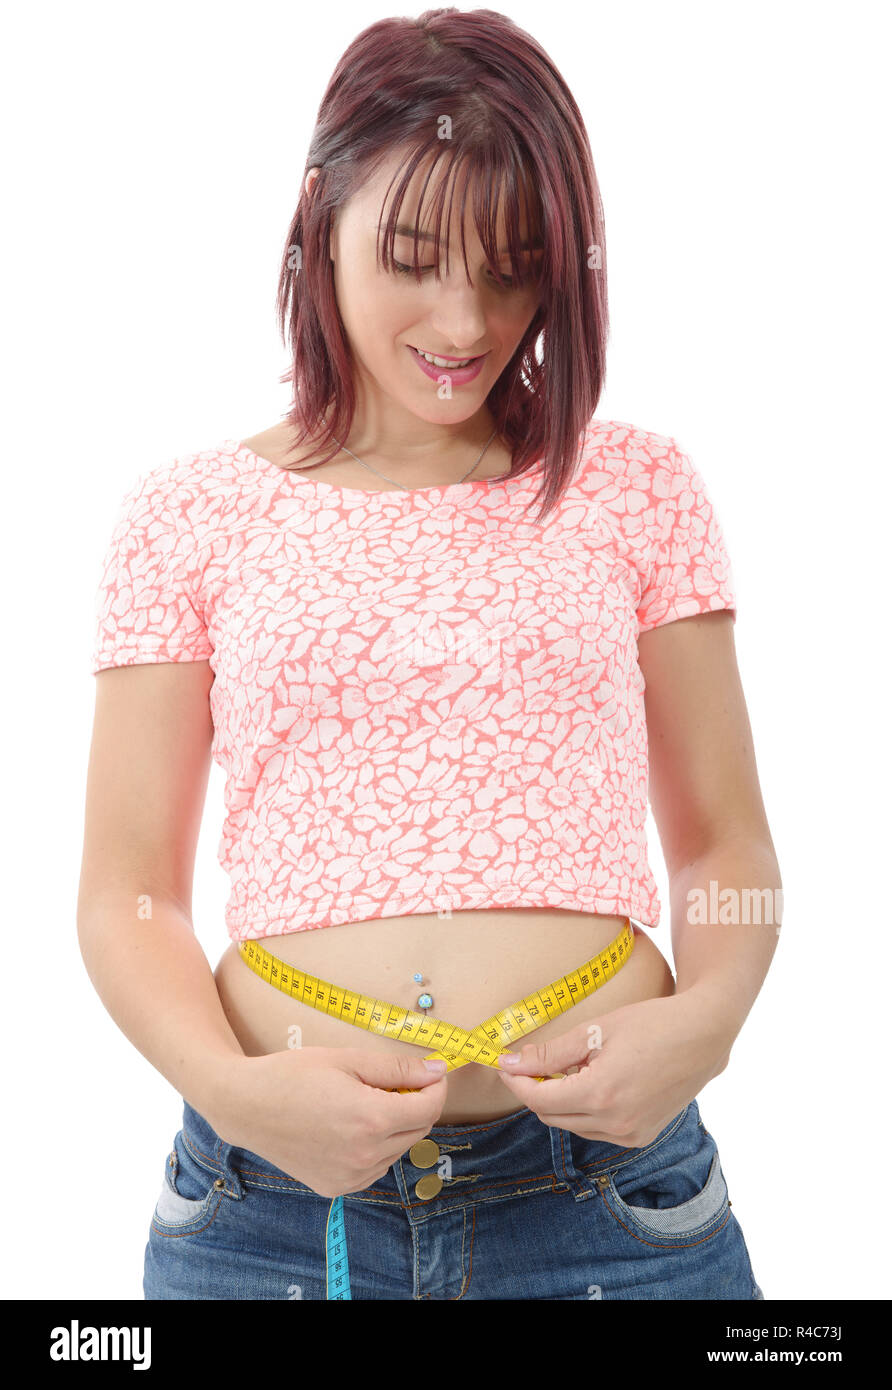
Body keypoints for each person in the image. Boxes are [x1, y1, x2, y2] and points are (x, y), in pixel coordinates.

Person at [78, 7, 780, 1301]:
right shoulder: (185, 515)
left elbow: (726, 845)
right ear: (318, 213)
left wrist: (707, 1023)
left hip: (607, 1204)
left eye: (514, 267)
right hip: (275, 1210)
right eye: (411, 255)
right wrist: (236, 1093)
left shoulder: (639, 488)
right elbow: (130, 898)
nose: (464, 320)